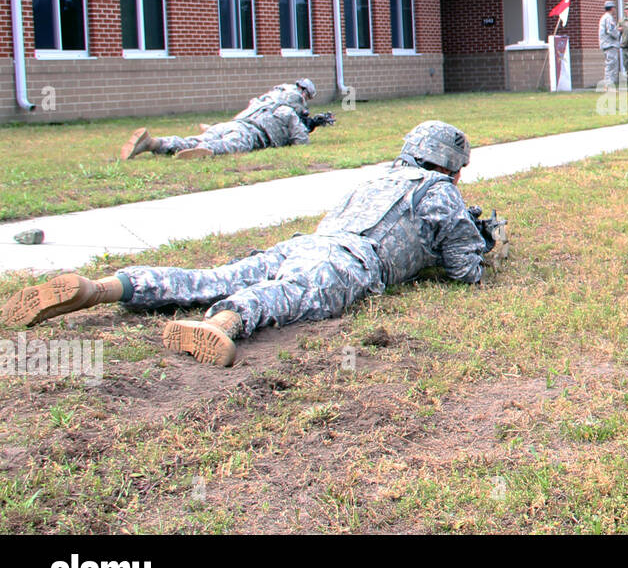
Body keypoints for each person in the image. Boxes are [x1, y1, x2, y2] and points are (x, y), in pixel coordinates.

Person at [6, 122, 507, 367]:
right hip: (351, 260)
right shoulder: (441, 193)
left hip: (306, 242)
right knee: (292, 296)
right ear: (452, 165)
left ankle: (103, 288)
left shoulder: (379, 177)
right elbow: (466, 272)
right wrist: (486, 244)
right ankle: (225, 323)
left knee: (213, 276)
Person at [121, 78, 334, 160]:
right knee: (225, 146)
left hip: (231, 124)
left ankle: (154, 142)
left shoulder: (259, 101)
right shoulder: (287, 112)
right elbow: (301, 142)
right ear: (302, 97)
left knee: (197, 138)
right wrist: (309, 125)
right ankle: (203, 154)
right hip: (252, 134)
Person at [598, 0, 621, 90]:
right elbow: (610, 31)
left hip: (606, 44)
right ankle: (608, 85)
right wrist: (618, 32)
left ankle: (608, 85)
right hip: (610, 44)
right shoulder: (609, 18)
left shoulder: (604, 17)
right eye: (614, 8)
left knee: (610, 65)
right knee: (611, 65)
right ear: (612, 8)